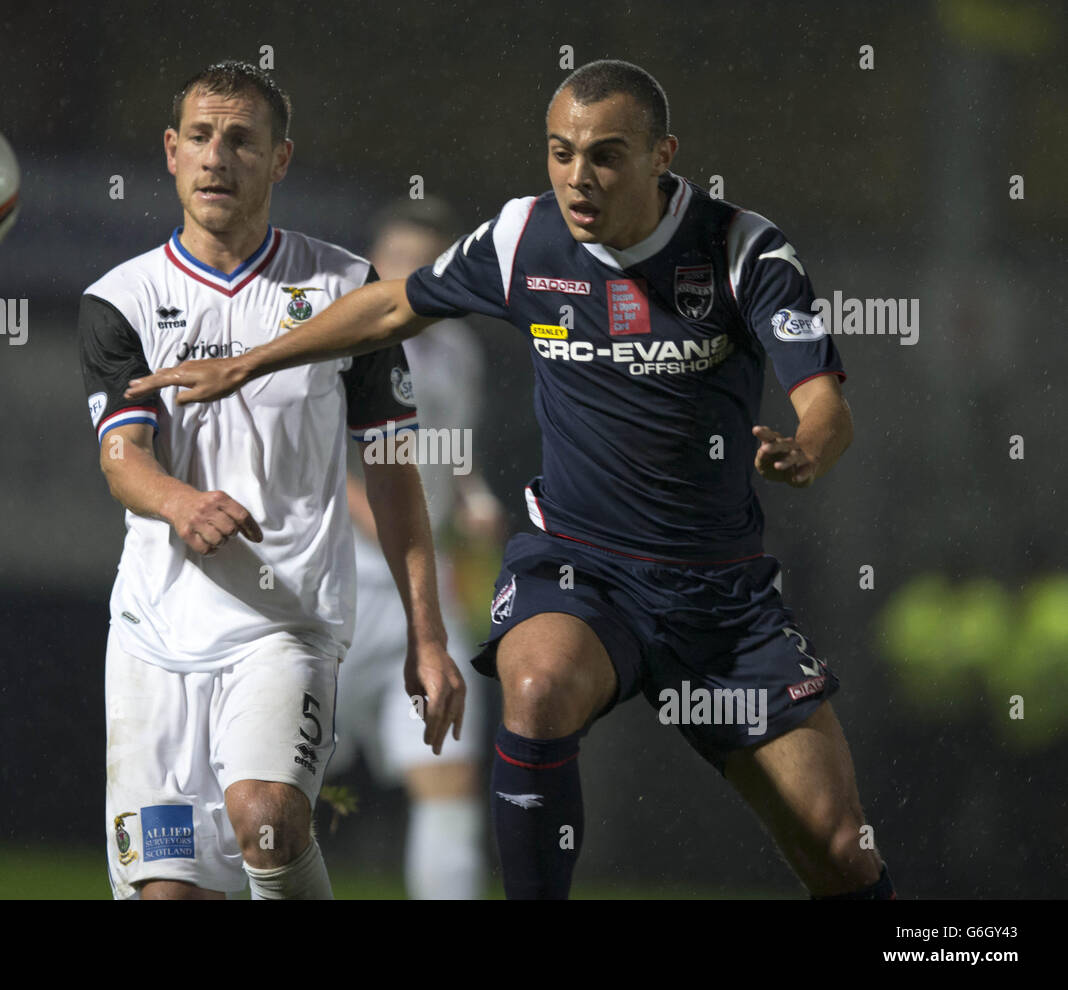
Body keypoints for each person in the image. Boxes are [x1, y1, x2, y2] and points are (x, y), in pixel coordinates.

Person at [126, 59, 895, 900]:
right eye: (560, 153)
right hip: (580, 568)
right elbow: (390, 306)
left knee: (839, 851)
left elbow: (826, 404)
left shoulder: (741, 248)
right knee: (533, 686)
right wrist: (249, 361)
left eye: (605, 155)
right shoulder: (525, 239)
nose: (578, 177)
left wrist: (806, 448)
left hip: (723, 597)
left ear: (662, 154)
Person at [79, 61, 464, 901]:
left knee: (268, 818)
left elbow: (394, 474)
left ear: (280, 160)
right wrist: (182, 503)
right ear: (172, 153)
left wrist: (428, 637)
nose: (220, 156)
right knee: (172, 891)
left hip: (285, 624)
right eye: (203, 138)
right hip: (153, 636)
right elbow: (122, 458)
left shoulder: (346, 291)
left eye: (243, 140)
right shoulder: (121, 299)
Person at [332, 199, 505, 899]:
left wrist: (476, 501)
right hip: (333, 593)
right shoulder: (334, 341)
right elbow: (317, 469)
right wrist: (394, 526)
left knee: (451, 775)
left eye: (424, 264)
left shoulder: (457, 350)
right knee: (272, 786)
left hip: (427, 594)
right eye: (395, 260)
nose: (407, 276)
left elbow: (450, 455)